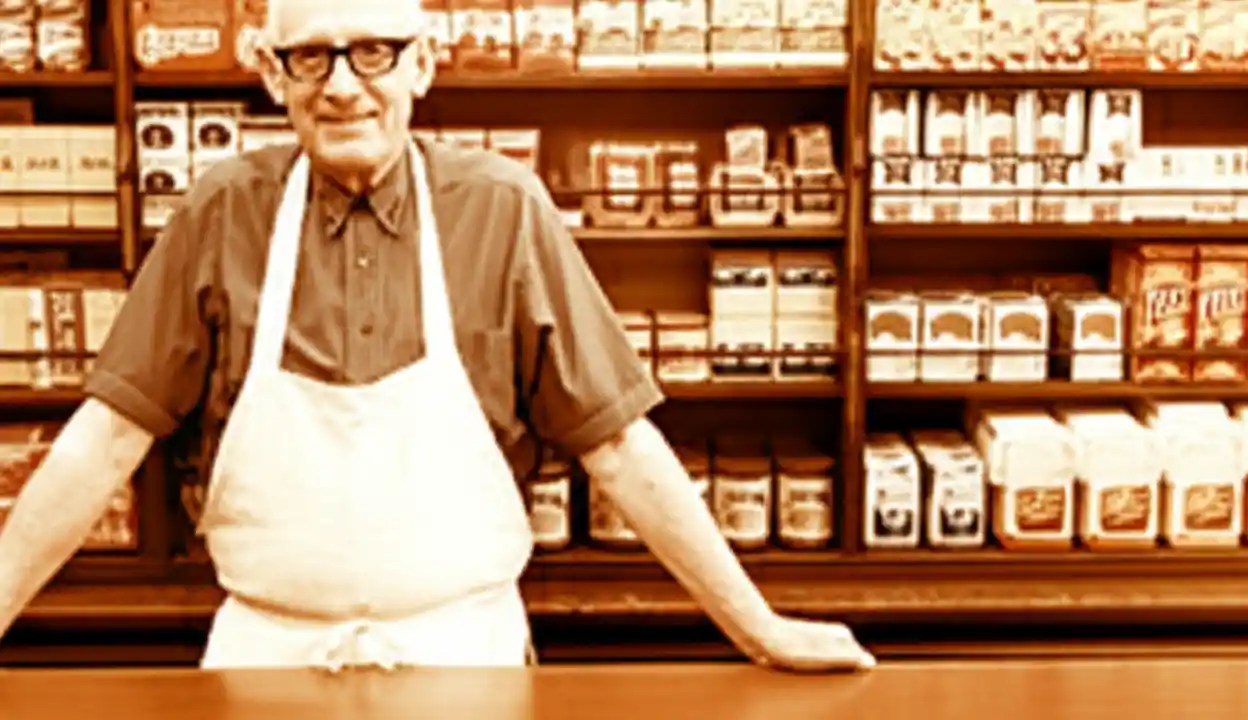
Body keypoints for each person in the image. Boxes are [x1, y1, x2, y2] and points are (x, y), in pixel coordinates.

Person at [0, 0, 876, 673]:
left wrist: (759, 627)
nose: (343, 84)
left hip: (468, 664)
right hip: (264, 668)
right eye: (312, 56)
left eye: (374, 51)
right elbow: (104, 441)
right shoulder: (221, 210)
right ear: (273, 74)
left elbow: (619, 447)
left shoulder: (501, 209)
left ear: (424, 63)